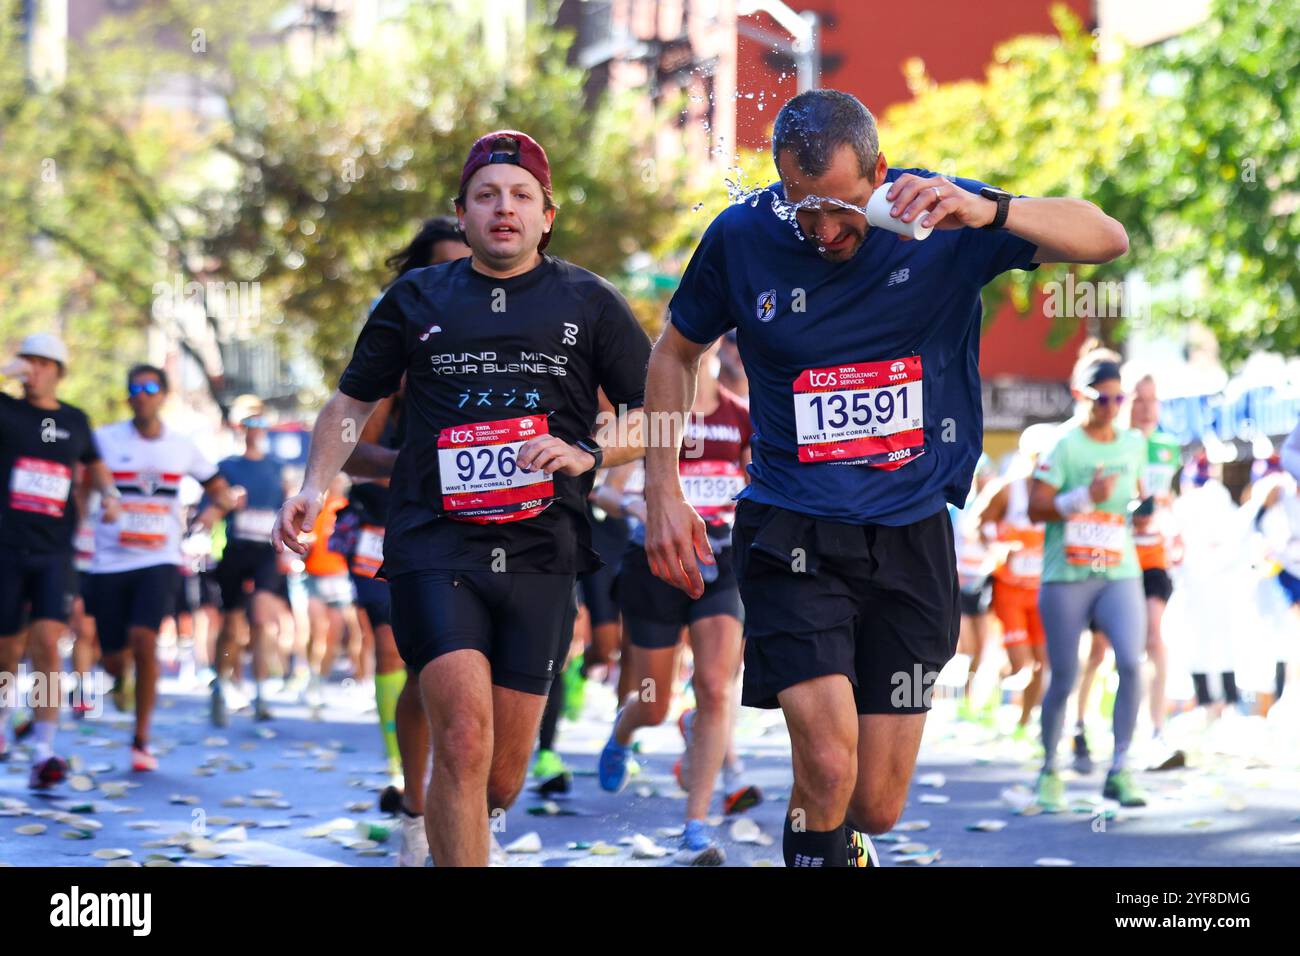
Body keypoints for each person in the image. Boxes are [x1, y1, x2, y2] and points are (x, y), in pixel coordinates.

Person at [644, 89, 1128, 866]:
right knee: (829, 765)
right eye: (803, 209)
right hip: (789, 528)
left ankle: (840, 842)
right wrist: (661, 489)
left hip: (910, 535)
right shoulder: (742, 238)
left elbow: (1106, 238)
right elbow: (674, 352)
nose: (824, 231)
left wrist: (988, 211)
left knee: (874, 800)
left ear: (880, 170)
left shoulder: (944, 219)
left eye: (842, 206)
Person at [274, 130, 651, 866]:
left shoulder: (590, 300)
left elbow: (661, 415)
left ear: (547, 214)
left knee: (502, 777)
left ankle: (473, 836)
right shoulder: (415, 297)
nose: (503, 209)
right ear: (463, 212)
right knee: (464, 740)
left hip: (544, 550)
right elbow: (352, 401)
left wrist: (590, 452)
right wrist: (313, 485)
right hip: (434, 544)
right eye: (486, 196)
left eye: (520, 196)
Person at [595, 339, 751, 864]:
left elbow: (760, 481)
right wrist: (638, 504)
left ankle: (695, 826)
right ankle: (622, 734)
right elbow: (604, 489)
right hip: (655, 563)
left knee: (713, 686)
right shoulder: (655, 418)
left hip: (720, 566)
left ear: (718, 351)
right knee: (654, 704)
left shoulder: (740, 417)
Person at [85, 364, 232, 770]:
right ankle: (118, 676)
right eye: (135, 387)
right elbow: (84, 484)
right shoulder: (104, 439)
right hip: (109, 561)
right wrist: (79, 528)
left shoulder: (182, 446)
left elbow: (221, 492)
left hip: (159, 558)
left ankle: (141, 738)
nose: (143, 394)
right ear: (128, 396)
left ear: (163, 395)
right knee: (113, 654)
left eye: (151, 387)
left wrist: (210, 515)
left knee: (145, 639)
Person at [0, 334, 122, 788]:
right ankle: (3, 721)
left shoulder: (75, 420)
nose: (32, 369)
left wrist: (110, 496)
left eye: (41, 362)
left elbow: (96, 463)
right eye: (25, 361)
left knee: (48, 645)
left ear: (59, 370)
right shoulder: (6, 410)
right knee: (7, 651)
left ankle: (44, 748)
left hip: (55, 550)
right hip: (7, 547)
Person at [1030, 349, 1149, 809]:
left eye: (1120, 399)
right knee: (1064, 675)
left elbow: (1135, 498)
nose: (1112, 408)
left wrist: (1146, 509)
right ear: (1083, 395)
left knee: (1133, 663)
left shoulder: (1133, 444)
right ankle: (1049, 770)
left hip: (1119, 570)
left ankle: (1120, 768)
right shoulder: (1063, 445)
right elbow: (1037, 507)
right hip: (1067, 575)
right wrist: (1083, 497)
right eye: (1104, 399)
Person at [211, 395, 289, 725]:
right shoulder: (227, 466)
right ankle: (221, 684)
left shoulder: (277, 467)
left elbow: (287, 508)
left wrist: (288, 547)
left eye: (261, 422)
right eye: (249, 422)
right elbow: (211, 507)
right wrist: (227, 503)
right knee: (231, 625)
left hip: (266, 552)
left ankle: (260, 692)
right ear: (238, 427)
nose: (255, 429)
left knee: (260, 619)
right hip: (236, 549)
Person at [976, 423, 1055, 739]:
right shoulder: (1008, 489)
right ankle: (990, 692)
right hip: (1009, 589)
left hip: (1041, 590)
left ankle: (1024, 724)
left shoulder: (1056, 492)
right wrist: (999, 548)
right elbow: (978, 525)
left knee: (1042, 663)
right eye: (1040, 458)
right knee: (1020, 664)